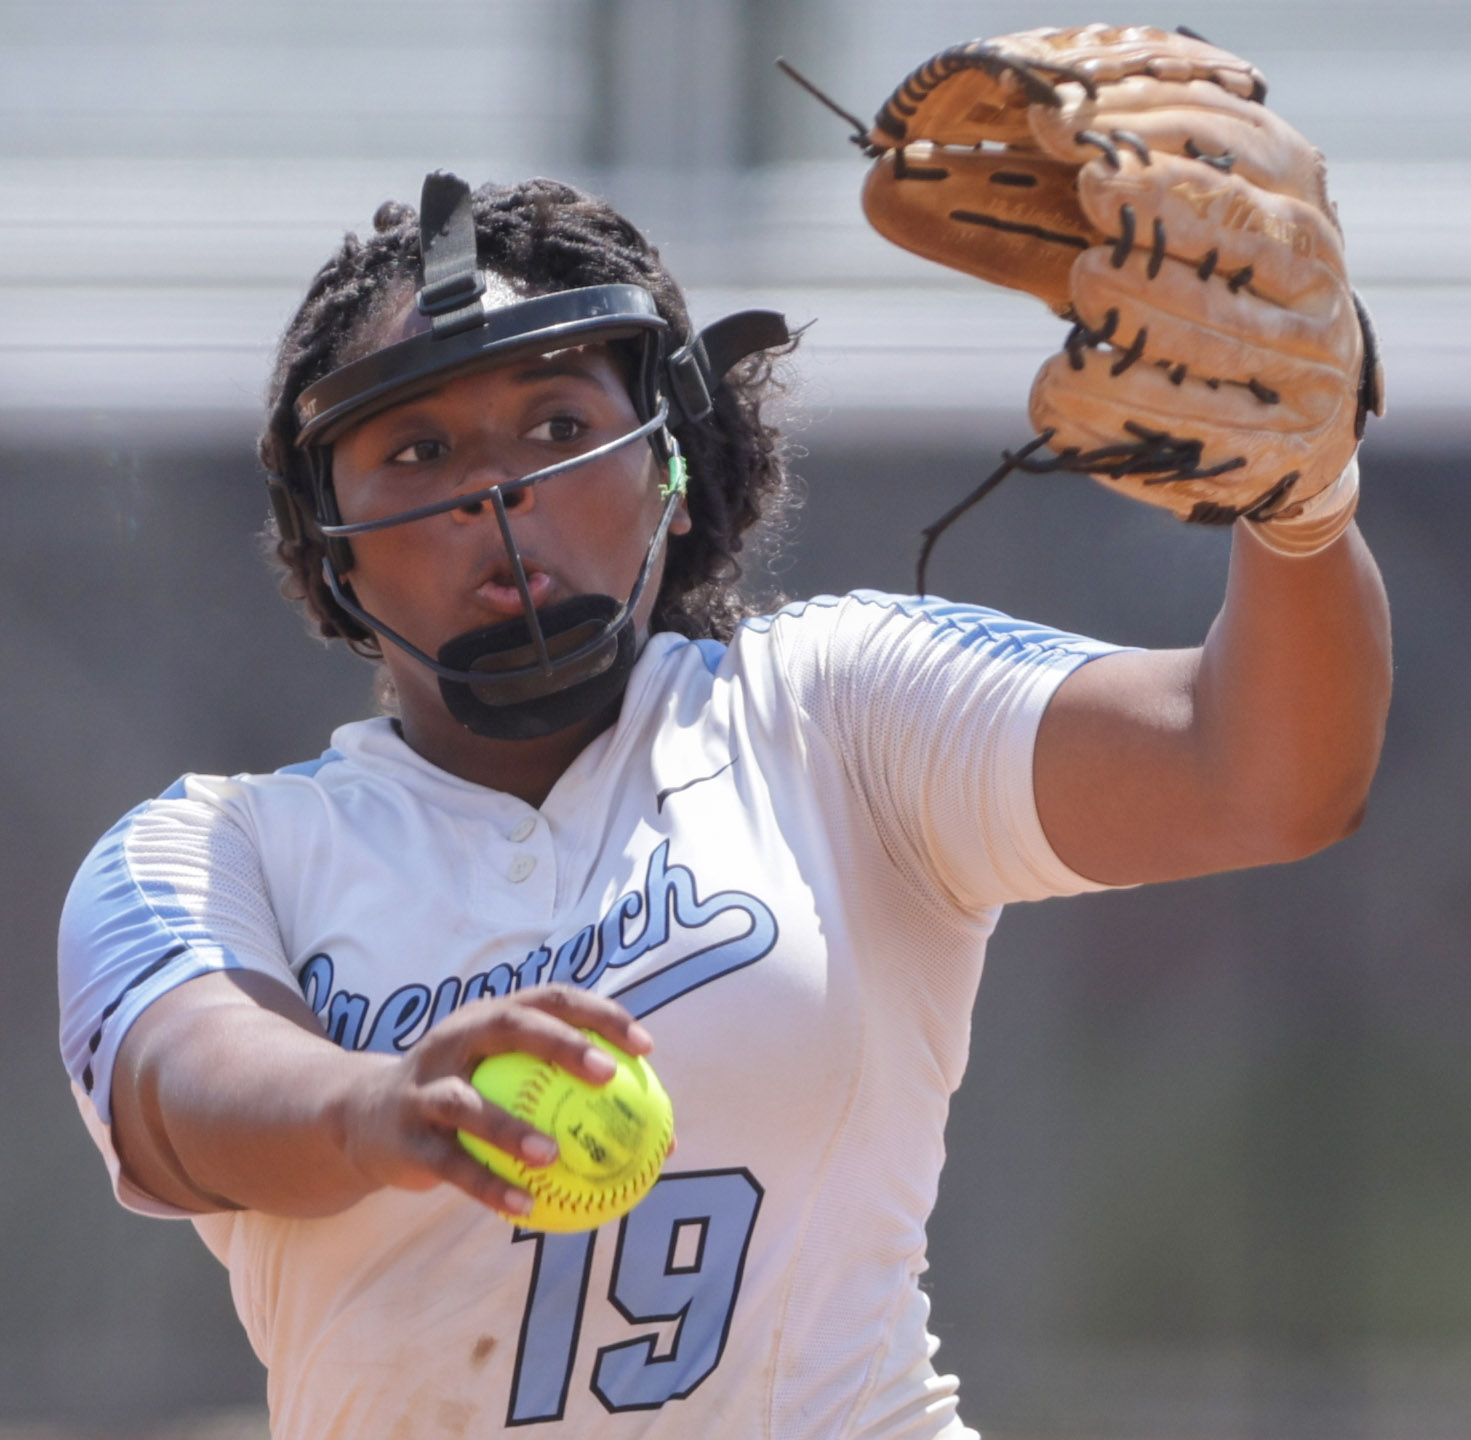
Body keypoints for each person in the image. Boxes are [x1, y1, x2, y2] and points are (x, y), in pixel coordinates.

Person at [58, 167, 1391, 1440]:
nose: (496, 493)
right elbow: (182, 1100)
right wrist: (373, 1106)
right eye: (417, 447)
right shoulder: (216, 844)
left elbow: (1257, 774)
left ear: (674, 466)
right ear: (322, 539)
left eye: (563, 425)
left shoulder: (835, 711)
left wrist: (1300, 494)